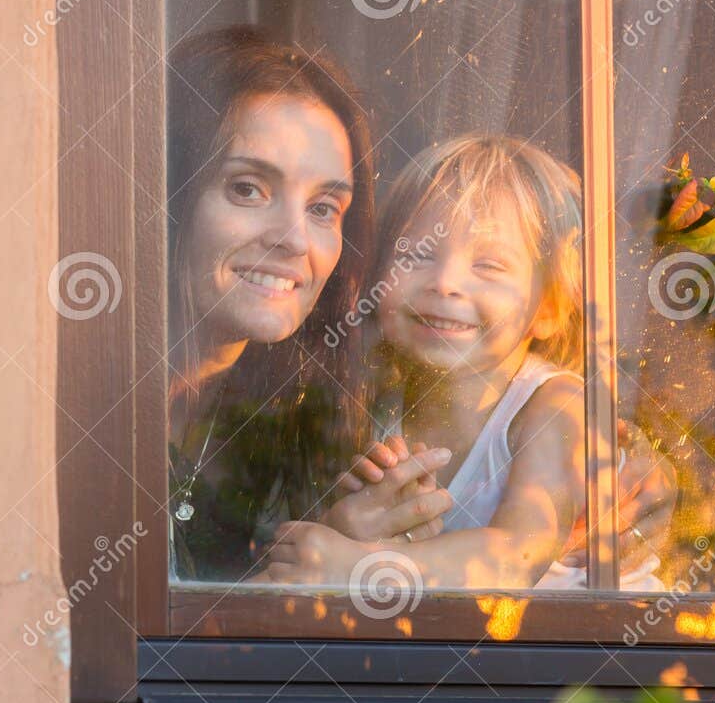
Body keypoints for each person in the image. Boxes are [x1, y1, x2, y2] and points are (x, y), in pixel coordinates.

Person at [264, 135, 665, 591]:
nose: (446, 283)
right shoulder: (374, 407)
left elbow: (516, 557)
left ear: (549, 307)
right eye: (416, 255)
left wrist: (360, 569)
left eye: (490, 266)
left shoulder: (555, 404)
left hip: (602, 657)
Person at [164, 27, 452, 580]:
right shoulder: (82, 407)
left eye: (324, 207)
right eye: (248, 188)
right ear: (169, 191)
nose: (295, 239)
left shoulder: (308, 409)